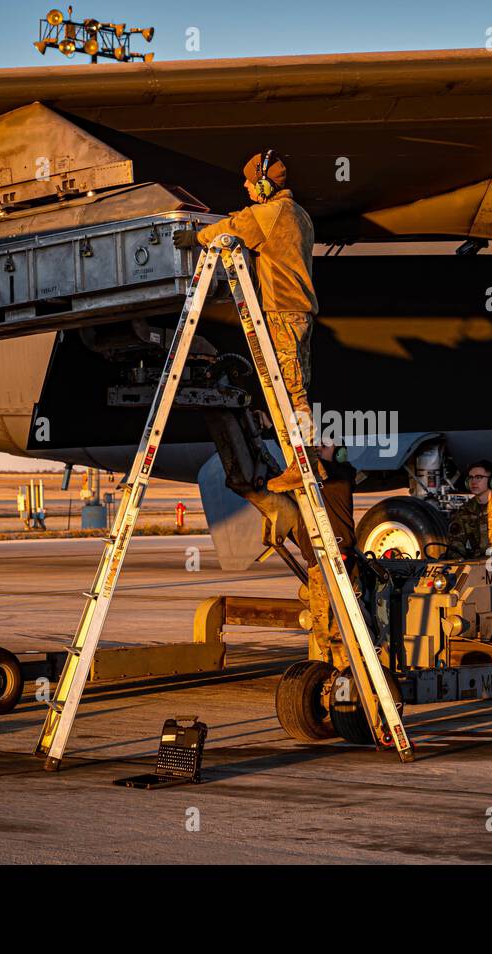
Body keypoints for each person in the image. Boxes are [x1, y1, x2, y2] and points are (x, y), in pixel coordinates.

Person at [188, 149, 319, 493]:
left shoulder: (270, 214)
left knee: (292, 393)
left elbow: (234, 228)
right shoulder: (298, 213)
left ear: (263, 186)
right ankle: (307, 459)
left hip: (283, 311)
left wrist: (196, 237)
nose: (245, 186)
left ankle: (305, 461)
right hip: (300, 311)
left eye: (249, 181)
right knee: (297, 387)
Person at [288, 441, 355, 655]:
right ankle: (331, 671)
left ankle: (344, 674)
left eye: (324, 446)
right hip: (317, 563)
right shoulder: (313, 480)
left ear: (339, 453)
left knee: (340, 630)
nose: (318, 449)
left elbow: (310, 465)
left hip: (335, 561)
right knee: (322, 631)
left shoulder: (342, 474)